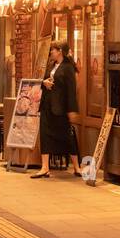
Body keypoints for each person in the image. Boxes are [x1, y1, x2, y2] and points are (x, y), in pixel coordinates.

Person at [32, 41, 80, 178]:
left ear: (59, 51)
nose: (50, 53)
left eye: (52, 50)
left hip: (60, 108)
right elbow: (43, 80)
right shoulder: (51, 66)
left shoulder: (68, 67)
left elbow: (71, 91)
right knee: (45, 135)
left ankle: (77, 167)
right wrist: (44, 83)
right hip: (47, 105)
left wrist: (72, 110)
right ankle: (45, 167)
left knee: (67, 137)